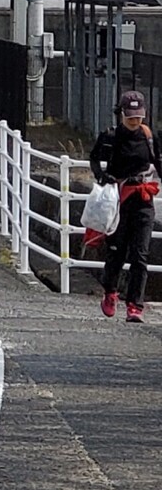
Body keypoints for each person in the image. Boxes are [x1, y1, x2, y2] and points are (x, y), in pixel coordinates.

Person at [89, 90, 162, 324]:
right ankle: (110, 291)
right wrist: (102, 176)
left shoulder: (149, 137)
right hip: (117, 201)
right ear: (121, 113)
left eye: (138, 116)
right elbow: (94, 159)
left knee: (140, 255)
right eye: (130, 116)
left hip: (143, 200)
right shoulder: (110, 137)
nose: (135, 121)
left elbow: (159, 163)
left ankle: (135, 306)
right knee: (116, 252)